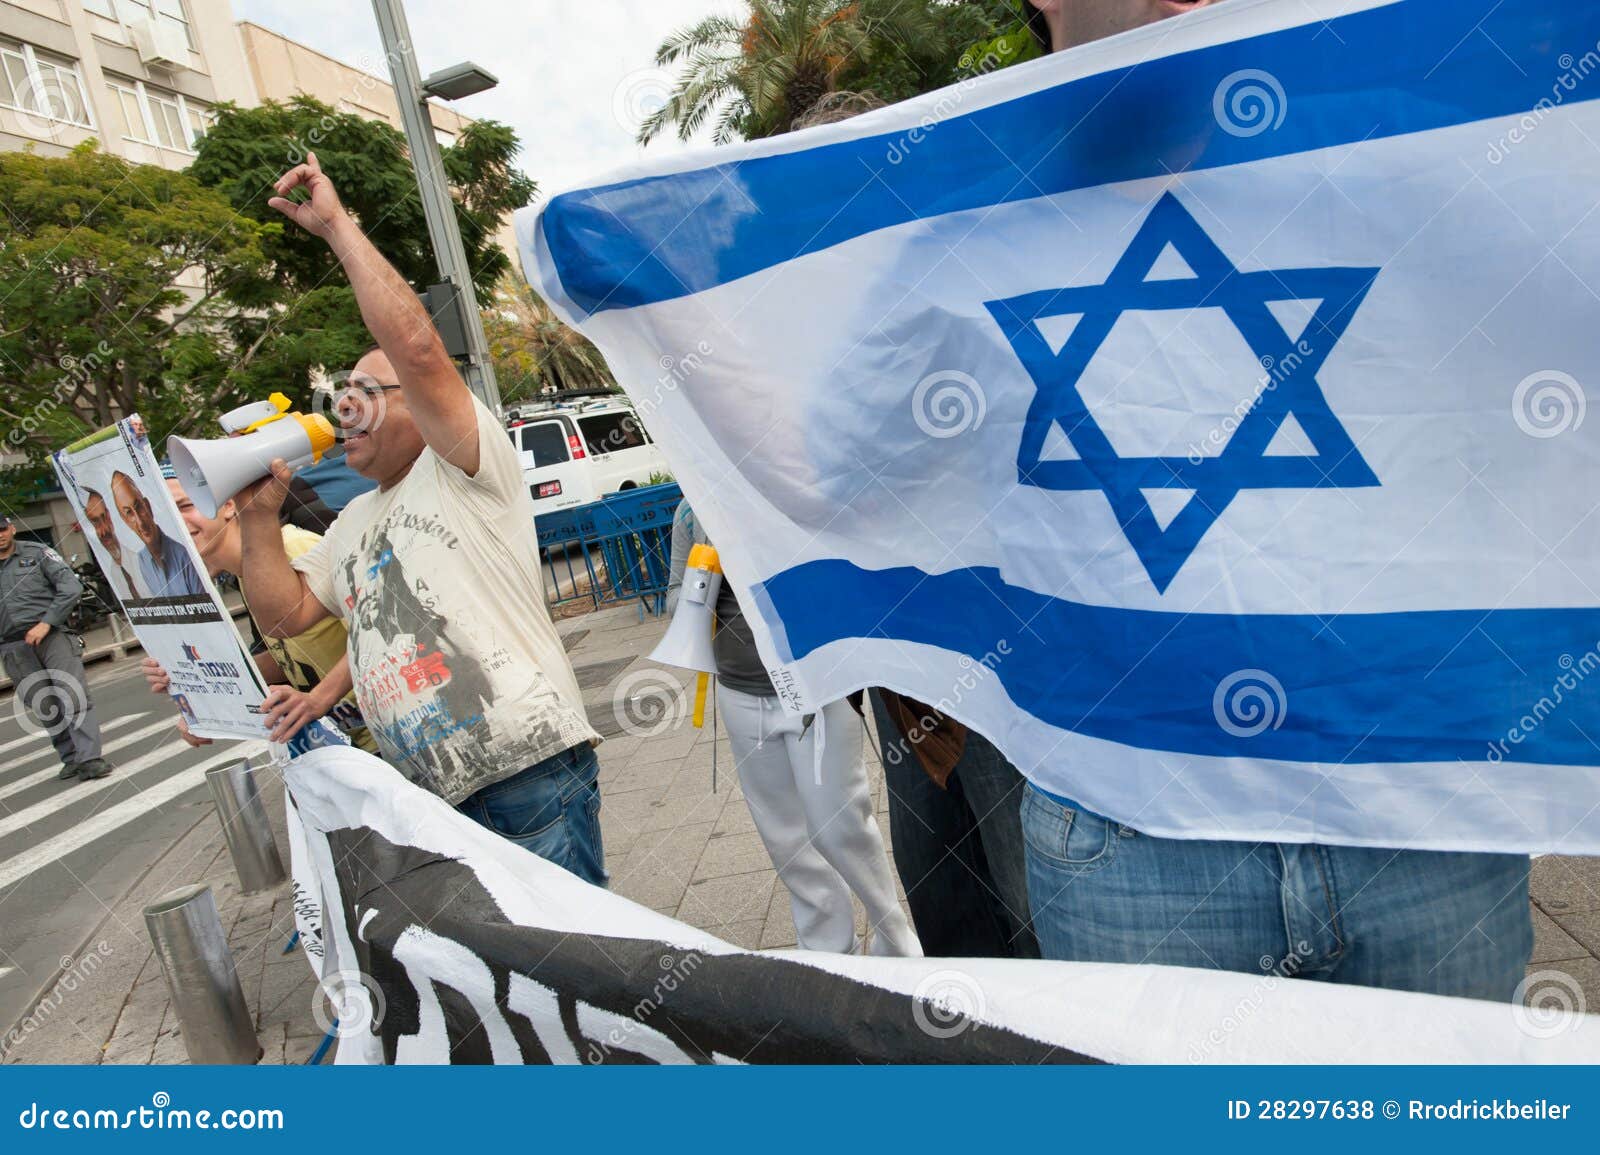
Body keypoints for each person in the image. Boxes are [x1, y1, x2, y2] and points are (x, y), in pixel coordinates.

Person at [1013, 0, 1530, 1001]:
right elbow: (837, 471)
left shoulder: (1426, 143)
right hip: (1125, 841)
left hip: (1426, 811)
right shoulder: (937, 217)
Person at [235, 153, 604, 885]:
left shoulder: (464, 464)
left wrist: (337, 228)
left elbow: (419, 346)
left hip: (522, 773)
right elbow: (283, 614)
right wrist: (256, 522)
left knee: (583, 969)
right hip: (430, 798)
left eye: (372, 390)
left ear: (421, 402)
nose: (348, 405)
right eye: (344, 392)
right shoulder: (352, 520)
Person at [668, 500, 920, 956]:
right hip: (740, 693)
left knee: (840, 826)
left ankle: (897, 945)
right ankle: (828, 953)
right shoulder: (691, 508)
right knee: (785, 838)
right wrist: (702, 572)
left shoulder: (783, 486)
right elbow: (676, 605)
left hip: (815, 690)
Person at [139, 473, 376, 752]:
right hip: (349, 747)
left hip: (387, 733)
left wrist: (318, 699)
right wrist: (195, 681)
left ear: (228, 505)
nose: (175, 522)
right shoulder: (245, 575)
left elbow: (376, 632)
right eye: (164, 515)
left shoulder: (292, 548)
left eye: (184, 506)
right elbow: (289, 658)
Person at [0, 513, 112, 780]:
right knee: (43, 703)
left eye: (2, 529)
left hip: (52, 636)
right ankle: (71, 757)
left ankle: (90, 758)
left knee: (71, 694)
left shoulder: (38, 553)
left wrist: (46, 622)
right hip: (13, 646)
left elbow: (70, 587)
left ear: (11, 528)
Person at [109, 470, 205, 598]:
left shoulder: (185, 555)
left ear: (147, 506)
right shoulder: (141, 561)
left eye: (139, 508)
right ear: (124, 521)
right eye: (129, 513)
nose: (140, 522)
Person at [80, 487, 140, 600]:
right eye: (95, 522)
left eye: (104, 517)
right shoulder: (113, 571)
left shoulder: (140, 560)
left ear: (109, 515)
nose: (104, 530)